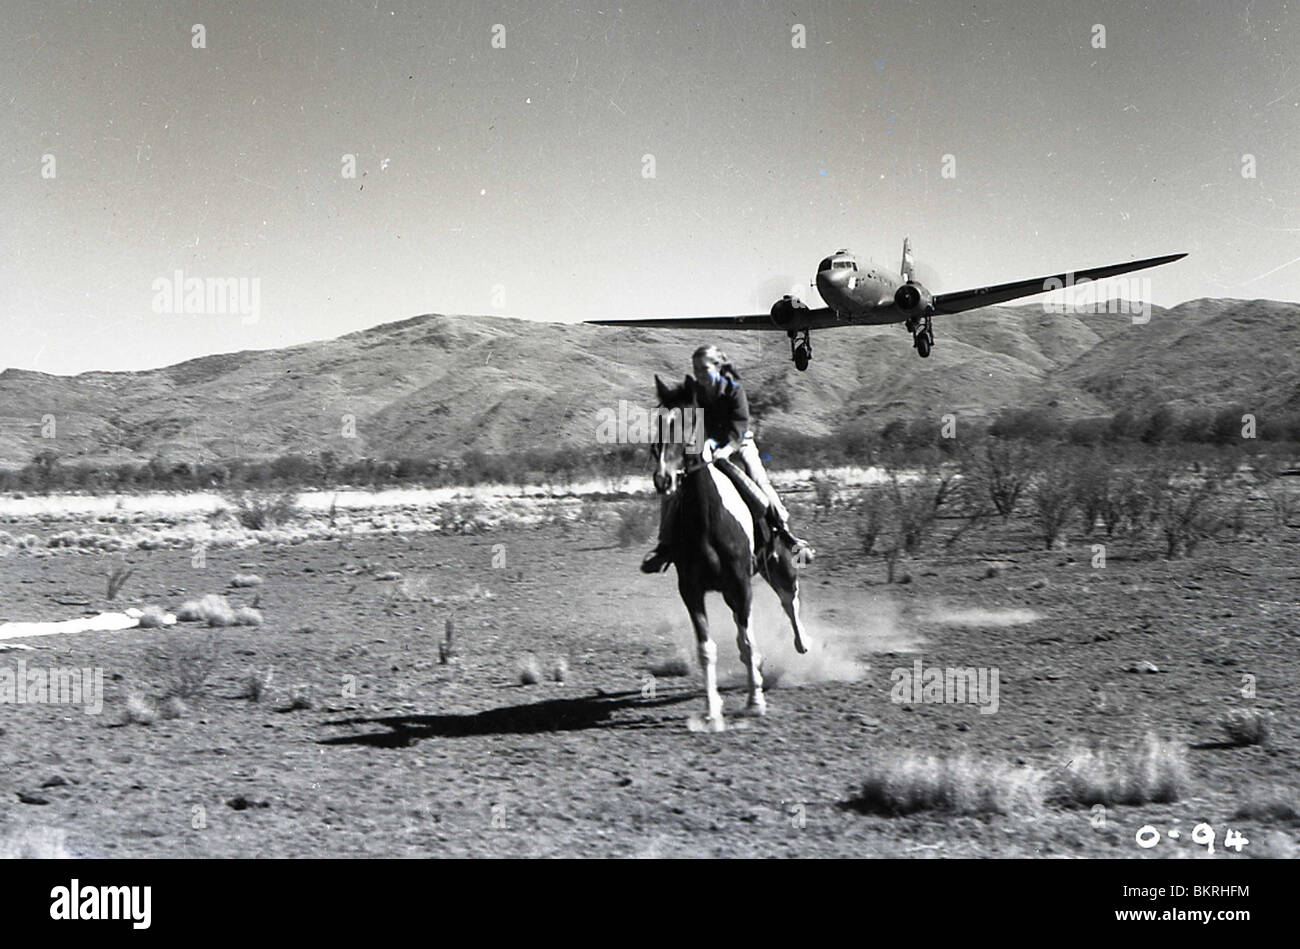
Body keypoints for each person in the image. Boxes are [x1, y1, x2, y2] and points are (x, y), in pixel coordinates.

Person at [641, 344, 812, 573]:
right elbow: (681, 409)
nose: (700, 374)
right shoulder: (695, 392)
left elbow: (740, 427)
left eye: (704, 369)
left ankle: (786, 535)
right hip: (707, 446)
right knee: (676, 488)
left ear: (718, 367)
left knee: (758, 481)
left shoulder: (734, 390)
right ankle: (664, 546)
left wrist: (726, 448)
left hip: (739, 443)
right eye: (696, 370)